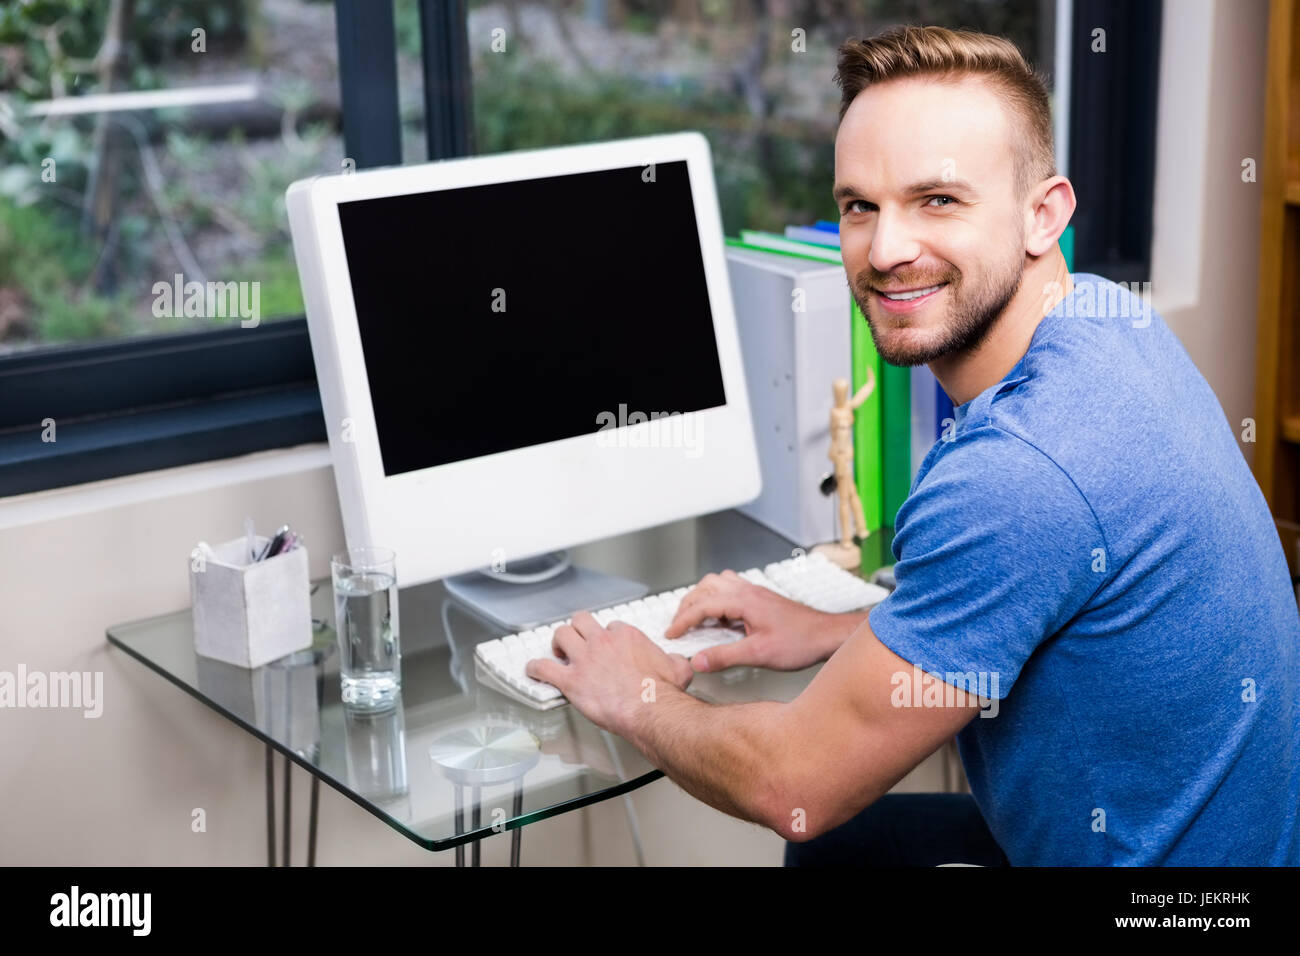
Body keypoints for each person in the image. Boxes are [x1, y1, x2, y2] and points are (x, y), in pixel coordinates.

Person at [527, 24, 1300, 865]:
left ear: (1045, 214)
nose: (886, 250)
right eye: (861, 205)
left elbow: (794, 788)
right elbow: (1037, 588)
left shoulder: (1016, 473)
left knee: (818, 835)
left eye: (938, 199)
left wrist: (635, 692)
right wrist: (846, 623)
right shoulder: (1114, 325)